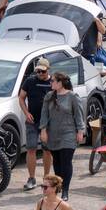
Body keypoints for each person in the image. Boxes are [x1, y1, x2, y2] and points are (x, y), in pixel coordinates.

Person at [40, 71, 84, 199]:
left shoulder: (72, 96)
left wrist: (80, 131)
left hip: (68, 134)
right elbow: (44, 115)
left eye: (53, 81)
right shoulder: (49, 96)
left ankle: (65, 190)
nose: (51, 82)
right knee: (57, 163)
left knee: (66, 162)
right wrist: (43, 130)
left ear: (60, 82)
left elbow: (78, 114)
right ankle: (58, 187)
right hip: (53, 134)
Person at [17, 57, 53, 190]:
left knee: (47, 150)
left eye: (43, 72)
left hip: (48, 122)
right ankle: (31, 178)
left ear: (48, 70)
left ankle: (46, 178)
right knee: (31, 148)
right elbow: (21, 98)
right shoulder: (30, 81)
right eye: (38, 71)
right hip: (32, 121)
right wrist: (26, 113)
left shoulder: (53, 82)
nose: (40, 74)